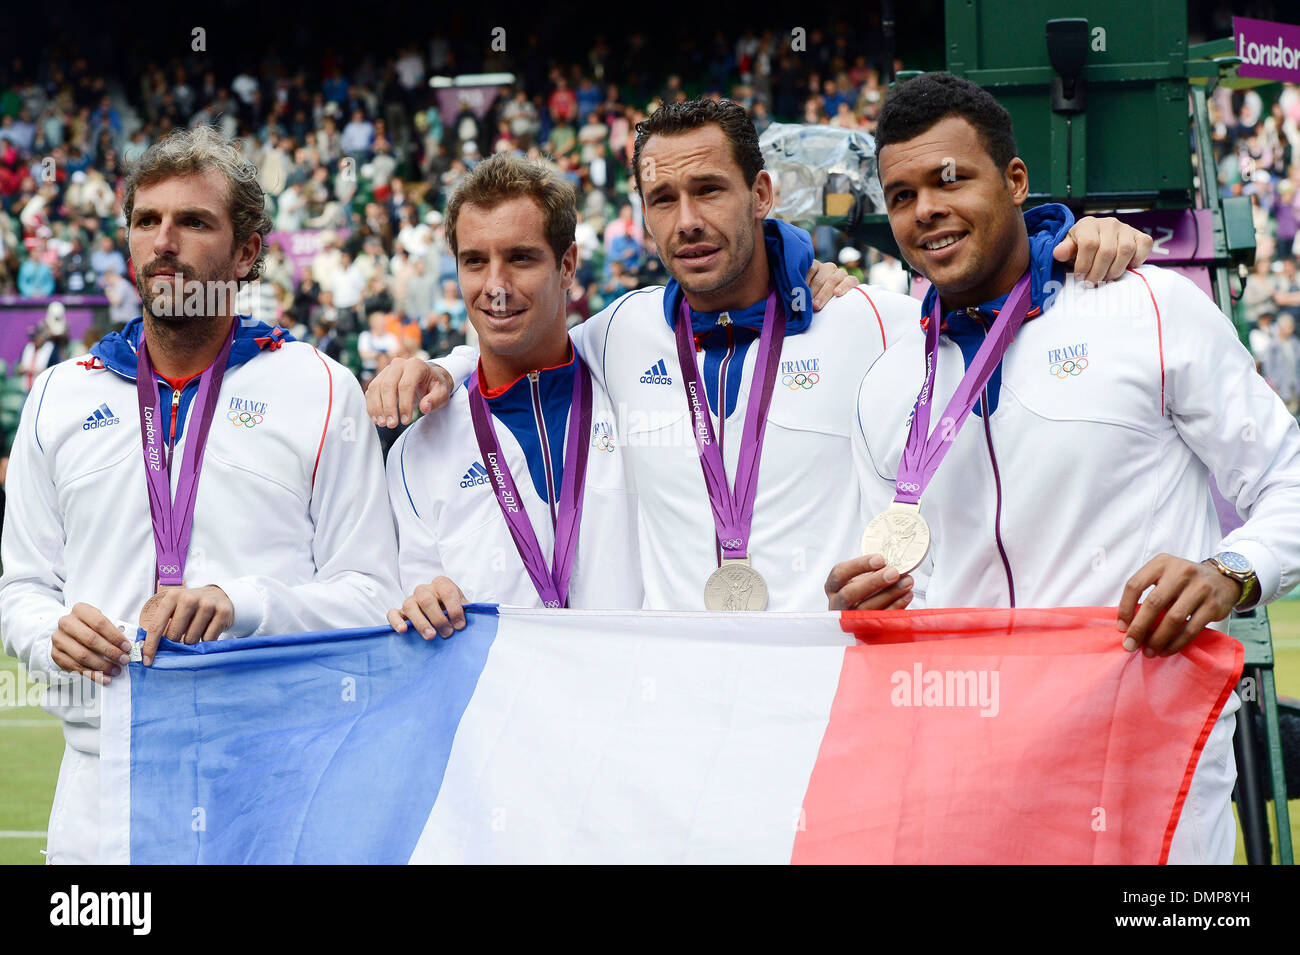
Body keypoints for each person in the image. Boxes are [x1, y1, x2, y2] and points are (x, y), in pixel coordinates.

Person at [367, 99, 1150, 612]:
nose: (688, 221)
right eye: (664, 200)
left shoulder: (865, 323)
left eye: (709, 190)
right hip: (682, 711)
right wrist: (437, 369)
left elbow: (984, 304)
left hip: (826, 695)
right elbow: (520, 334)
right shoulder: (623, 333)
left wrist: (1064, 237)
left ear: (763, 194)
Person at [827, 72, 1300, 863]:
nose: (925, 211)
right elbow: (913, 586)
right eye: (901, 194)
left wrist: (1229, 571)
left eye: (951, 179)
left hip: (1146, 759)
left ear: (1015, 180)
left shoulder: (1145, 305)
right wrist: (869, 601)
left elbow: (1288, 481)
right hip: (974, 777)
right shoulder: (885, 386)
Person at [0, 126, 401, 865]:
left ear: (247, 251)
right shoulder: (58, 395)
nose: (165, 241)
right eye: (148, 221)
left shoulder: (318, 387)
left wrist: (241, 603)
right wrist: (51, 633)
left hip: (273, 781)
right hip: (102, 789)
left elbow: (373, 594)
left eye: (194, 221)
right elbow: (23, 584)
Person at [384, 155, 643, 637]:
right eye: (475, 261)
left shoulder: (635, 392)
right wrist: (420, 599)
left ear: (567, 265)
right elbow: (410, 598)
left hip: (642, 700)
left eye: (520, 258)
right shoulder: (413, 455)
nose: (495, 288)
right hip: (504, 709)